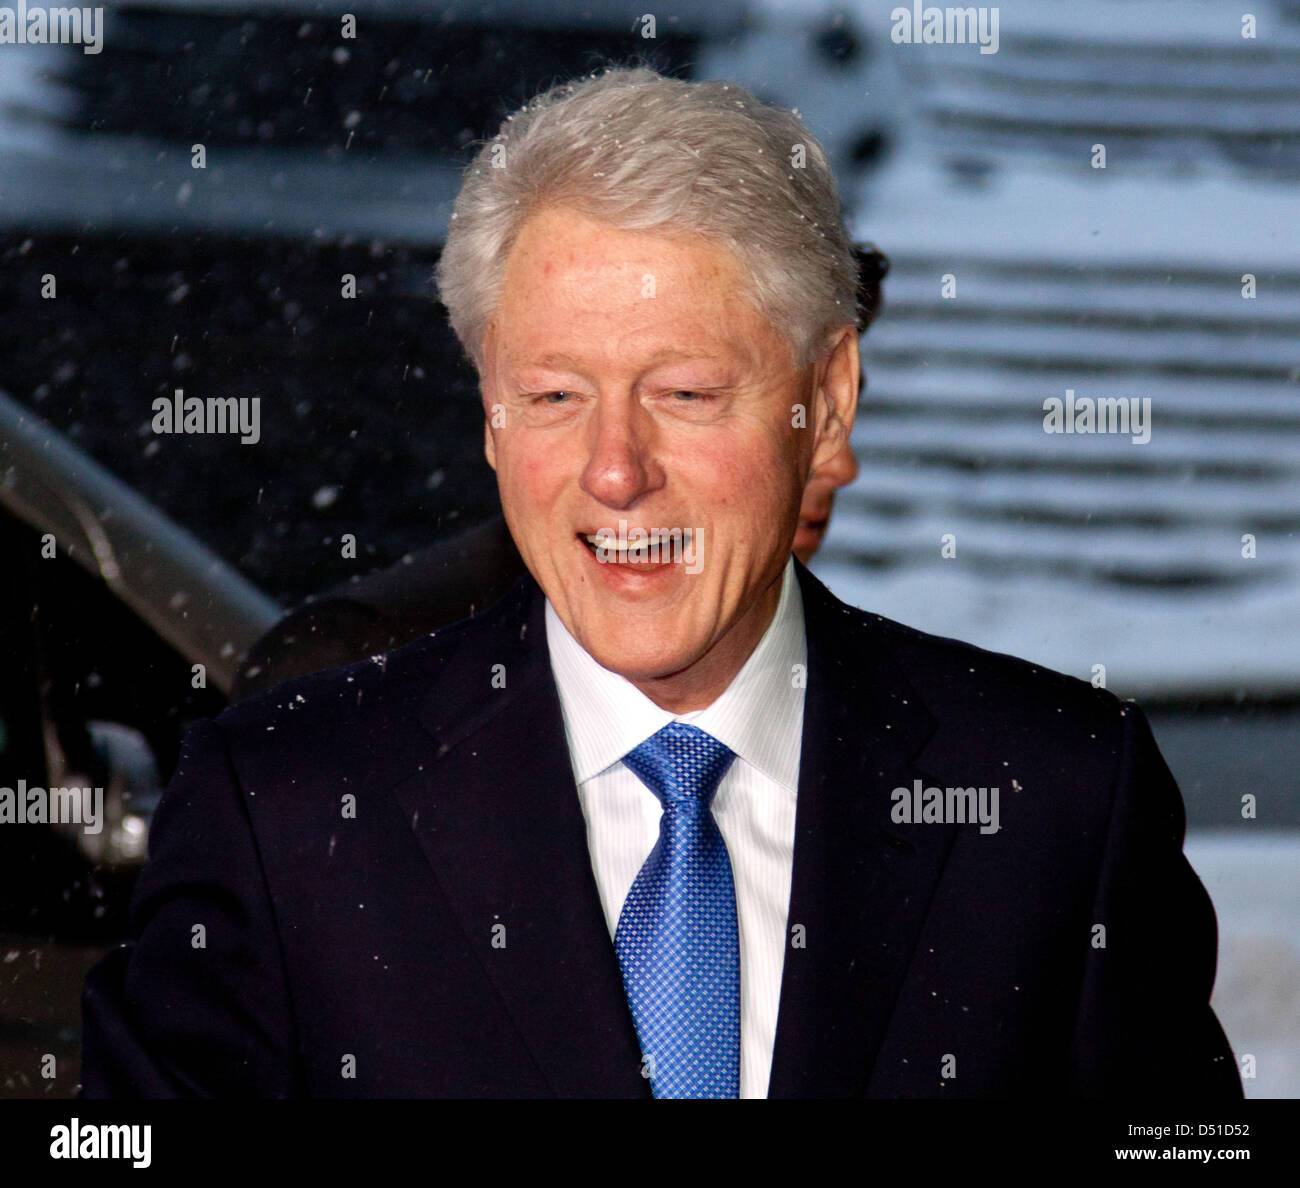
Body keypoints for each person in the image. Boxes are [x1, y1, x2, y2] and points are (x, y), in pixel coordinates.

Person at [81, 66, 1240, 1099]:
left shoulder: (1055, 799)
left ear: (825, 401)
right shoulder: (280, 807)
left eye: (682, 393)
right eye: (552, 397)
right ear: (486, 410)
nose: (615, 471)